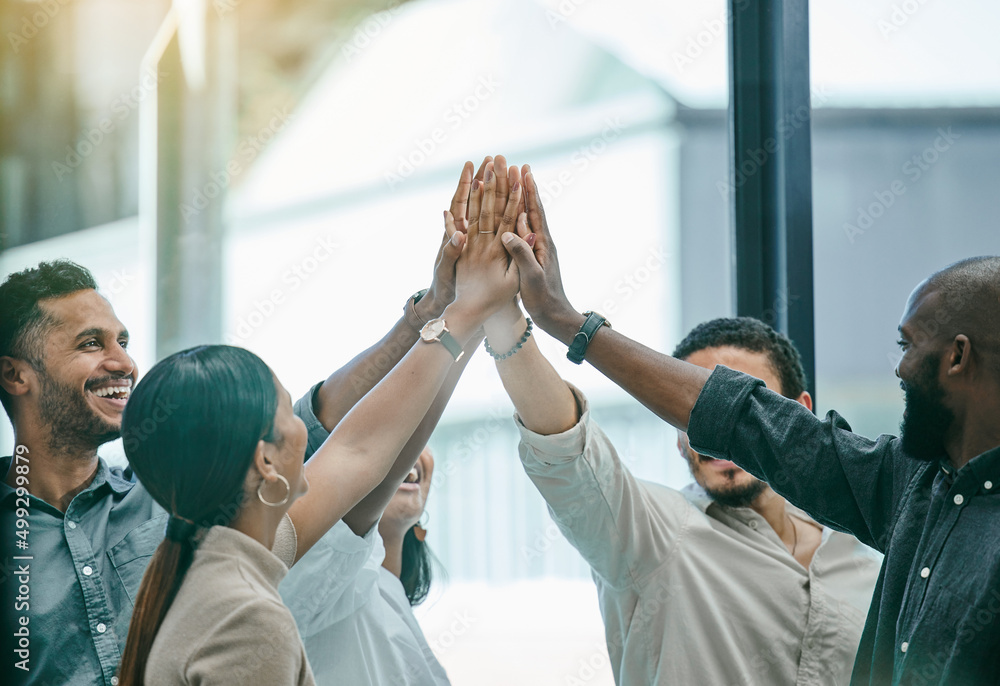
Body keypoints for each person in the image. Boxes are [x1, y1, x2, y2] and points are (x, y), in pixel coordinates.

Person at [0, 156, 514, 685]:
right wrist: (466, 314)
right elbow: (354, 446)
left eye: (123, 342)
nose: (123, 362)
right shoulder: (243, 613)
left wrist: (456, 312)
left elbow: (363, 450)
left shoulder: (202, 542)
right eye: (90, 344)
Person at [498, 164, 1000, 685]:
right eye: (687, 413)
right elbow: (574, 451)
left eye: (908, 346)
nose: (897, 368)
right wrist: (540, 320)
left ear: (958, 358)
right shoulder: (905, 487)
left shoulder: (866, 538)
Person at [482, 282, 880, 684]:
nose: (719, 434)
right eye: (698, 414)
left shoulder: (868, 552)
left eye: (740, 418)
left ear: (799, 414)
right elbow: (568, 451)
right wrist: (502, 314)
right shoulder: (650, 535)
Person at [280, 156, 523, 686]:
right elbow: (362, 453)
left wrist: (474, 311)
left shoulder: (388, 601)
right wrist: (464, 312)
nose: (408, 453)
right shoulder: (297, 575)